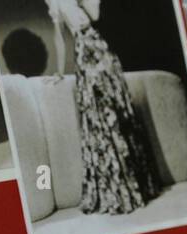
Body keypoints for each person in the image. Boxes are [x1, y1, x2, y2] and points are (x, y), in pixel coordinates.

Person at [46, 0, 160, 215]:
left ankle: (137, 187)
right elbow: (58, 35)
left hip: (102, 48)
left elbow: (95, 16)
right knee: (98, 117)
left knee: (119, 111)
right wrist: (59, 71)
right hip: (84, 52)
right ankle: (116, 192)